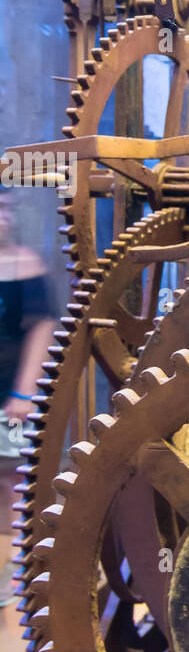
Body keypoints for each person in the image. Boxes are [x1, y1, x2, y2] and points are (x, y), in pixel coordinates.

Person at [0, 196, 55, 604]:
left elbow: (42, 328)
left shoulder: (26, 266)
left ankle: (19, 575)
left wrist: (24, 391)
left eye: (7, 210)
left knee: (16, 479)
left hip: (12, 402)